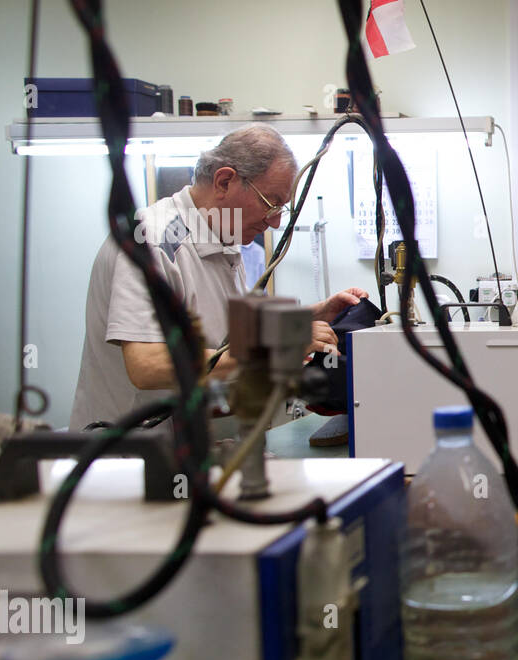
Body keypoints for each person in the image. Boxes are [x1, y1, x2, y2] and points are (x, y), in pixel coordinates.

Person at [69, 124, 366, 430]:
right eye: (271, 203)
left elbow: (230, 337)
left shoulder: (223, 241)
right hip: (131, 457)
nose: (276, 221)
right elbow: (148, 364)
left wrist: (312, 315)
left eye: (282, 208)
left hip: (192, 447)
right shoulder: (152, 241)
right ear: (224, 181)